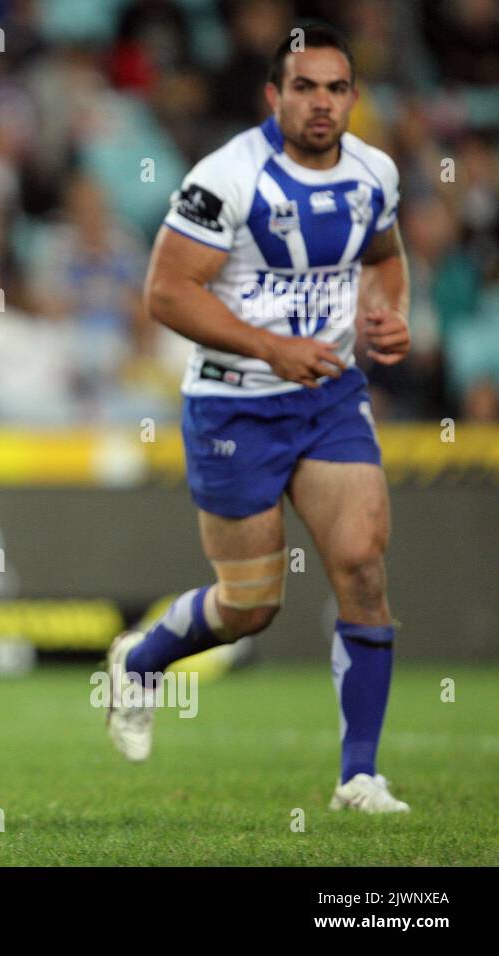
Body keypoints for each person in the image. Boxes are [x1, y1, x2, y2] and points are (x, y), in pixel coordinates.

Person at [107, 24, 413, 813]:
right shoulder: (226, 177)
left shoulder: (374, 170)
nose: (321, 103)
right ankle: (141, 661)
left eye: (336, 88)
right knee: (250, 604)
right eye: (304, 87)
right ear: (273, 95)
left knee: (363, 567)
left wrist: (386, 314)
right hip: (232, 403)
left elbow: (382, 257)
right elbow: (168, 292)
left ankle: (359, 776)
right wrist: (269, 348)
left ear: (353, 96)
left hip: (329, 397)